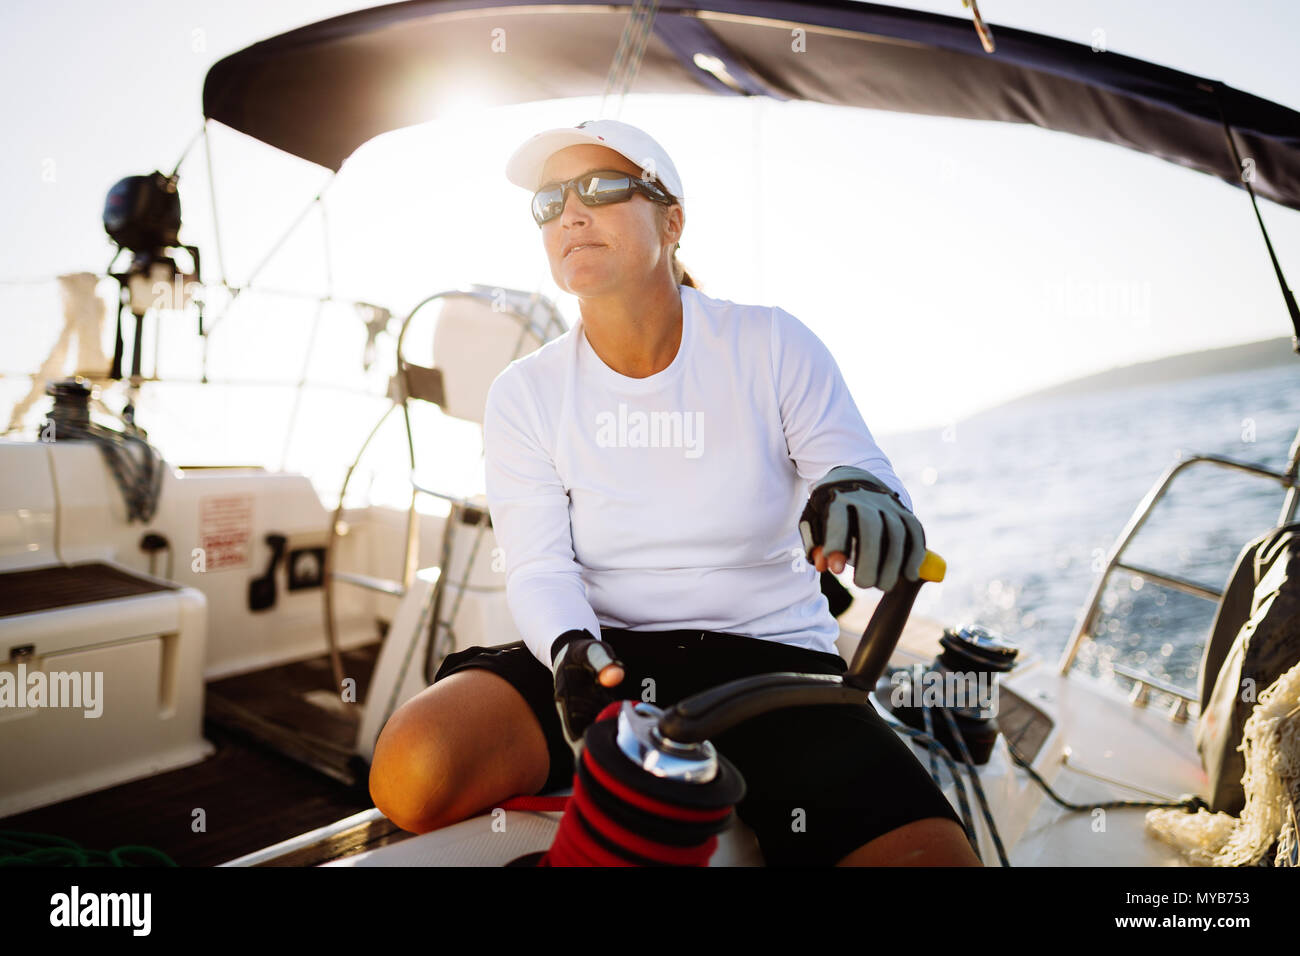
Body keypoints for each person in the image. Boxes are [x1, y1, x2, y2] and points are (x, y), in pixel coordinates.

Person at [369, 119, 980, 867]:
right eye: (550, 199)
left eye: (600, 188)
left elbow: (854, 467)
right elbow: (537, 566)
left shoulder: (771, 344)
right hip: (602, 659)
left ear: (673, 220)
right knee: (412, 771)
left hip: (773, 659)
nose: (570, 211)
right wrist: (568, 651)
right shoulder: (523, 393)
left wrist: (863, 495)